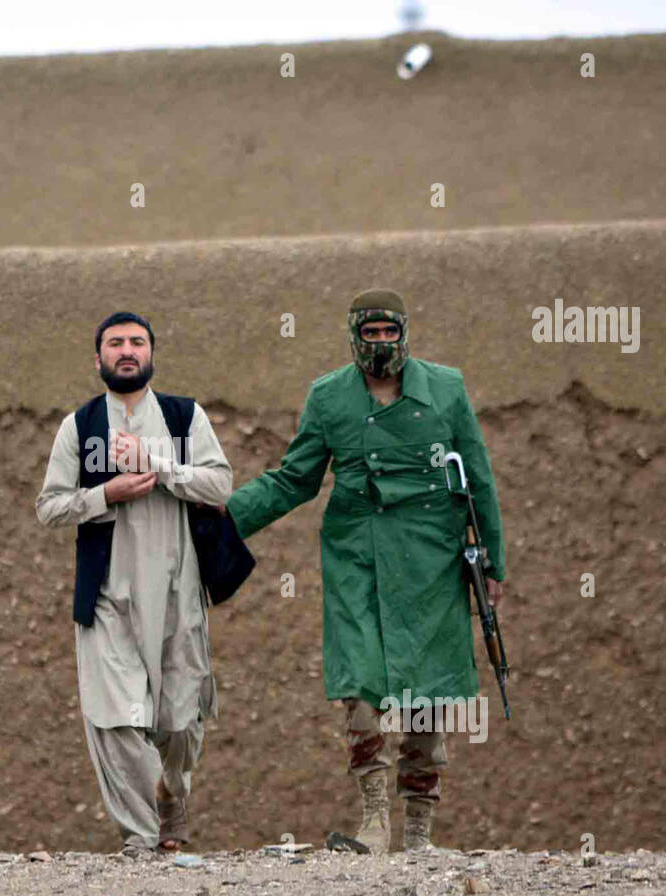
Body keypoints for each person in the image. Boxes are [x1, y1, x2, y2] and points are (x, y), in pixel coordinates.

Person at [226, 290, 506, 853]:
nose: (381, 344)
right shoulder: (329, 397)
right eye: (370, 334)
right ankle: (374, 820)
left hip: (431, 558)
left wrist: (492, 560)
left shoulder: (446, 389)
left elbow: (477, 476)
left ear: (404, 334)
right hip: (356, 554)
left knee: (429, 690)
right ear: (354, 336)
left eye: (390, 334)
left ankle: (420, 832)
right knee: (359, 680)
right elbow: (295, 479)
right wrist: (226, 517)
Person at [36, 312, 233, 856]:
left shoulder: (183, 417)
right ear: (97, 358)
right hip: (108, 598)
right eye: (116, 343)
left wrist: (157, 463)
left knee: (178, 720)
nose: (127, 351)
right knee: (117, 717)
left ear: (152, 354)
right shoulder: (79, 426)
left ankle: (171, 797)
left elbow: (220, 482)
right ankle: (144, 835)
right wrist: (105, 495)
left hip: (177, 591)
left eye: (137, 343)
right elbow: (49, 507)